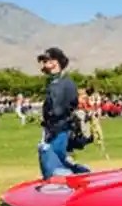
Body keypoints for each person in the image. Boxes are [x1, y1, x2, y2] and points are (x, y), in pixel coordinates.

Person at [36, 47, 89, 179]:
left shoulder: (61, 84)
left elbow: (57, 110)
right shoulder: (60, 82)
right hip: (60, 129)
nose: (43, 64)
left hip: (58, 131)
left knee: (53, 166)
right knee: (59, 161)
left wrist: (49, 123)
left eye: (46, 61)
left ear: (54, 62)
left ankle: (86, 177)